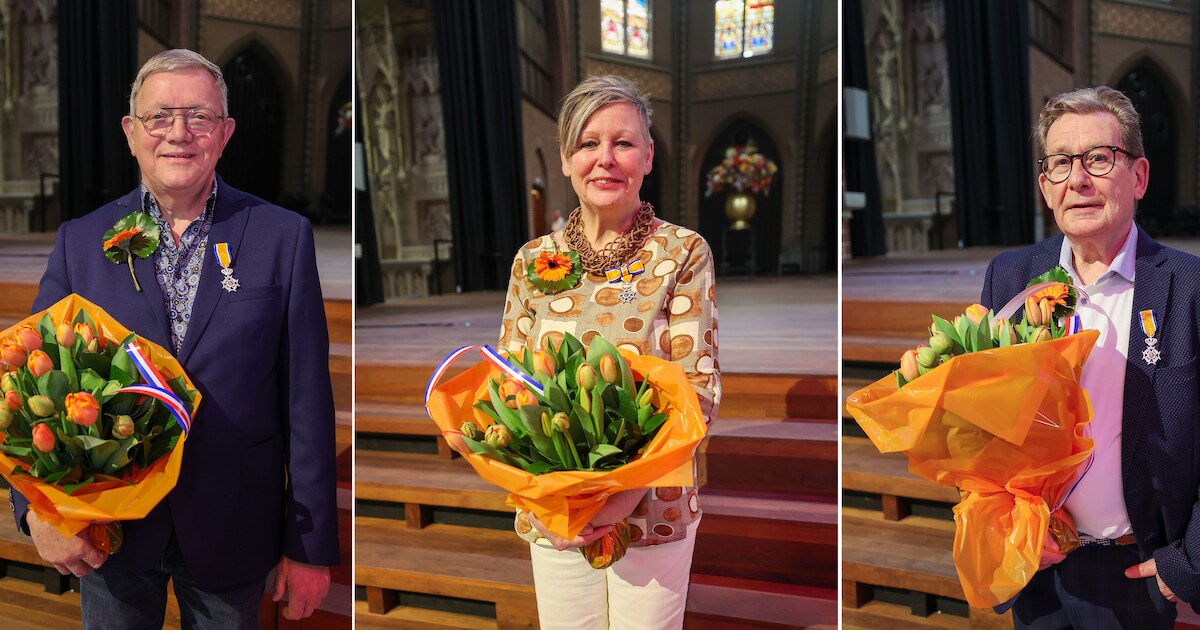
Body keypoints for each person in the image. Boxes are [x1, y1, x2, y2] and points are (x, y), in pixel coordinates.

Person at [10, 49, 340, 628]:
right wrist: (40, 511)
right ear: (131, 132)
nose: (179, 134)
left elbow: (306, 401)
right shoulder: (81, 241)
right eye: (159, 117)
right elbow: (25, 384)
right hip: (108, 526)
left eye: (199, 117)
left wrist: (309, 547)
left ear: (226, 133)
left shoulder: (281, 237)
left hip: (233, 523)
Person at [498, 74, 720, 629]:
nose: (605, 159)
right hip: (554, 514)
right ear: (566, 158)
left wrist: (613, 502)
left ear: (648, 156)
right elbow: (506, 382)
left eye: (623, 143)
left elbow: (698, 391)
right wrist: (554, 503)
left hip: (652, 506)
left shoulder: (682, 252)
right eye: (588, 143)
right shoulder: (532, 259)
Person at [981, 86, 1200, 628]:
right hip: (1035, 563)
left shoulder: (1191, 287)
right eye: (1060, 162)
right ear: (1045, 186)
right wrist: (1006, 529)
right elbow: (979, 423)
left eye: (1099, 158)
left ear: (1139, 177)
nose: (1077, 179)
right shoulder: (1009, 278)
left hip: (1133, 571)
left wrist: (1188, 562)